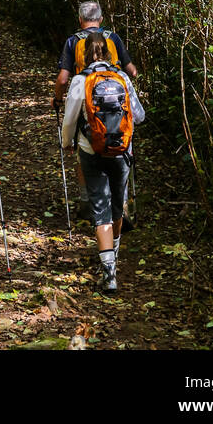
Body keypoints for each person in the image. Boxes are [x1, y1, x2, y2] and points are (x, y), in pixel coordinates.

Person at [61, 30, 145, 293]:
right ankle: (114, 257)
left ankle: (108, 272)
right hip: (121, 151)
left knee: (100, 207)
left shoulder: (79, 80)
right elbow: (139, 115)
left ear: (83, 54)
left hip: (91, 150)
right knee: (117, 205)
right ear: (110, 53)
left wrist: (66, 143)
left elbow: (70, 120)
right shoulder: (121, 77)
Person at [52, 0, 137, 216]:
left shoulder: (72, 42)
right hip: (117, 103)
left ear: (80, 20)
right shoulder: (114, 38)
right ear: (100, 19)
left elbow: (62, 79)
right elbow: (132, 71)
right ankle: (123, 205)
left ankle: (86, 201)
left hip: (87, 103)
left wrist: (58, 100)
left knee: (84, 150)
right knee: (122, 148)